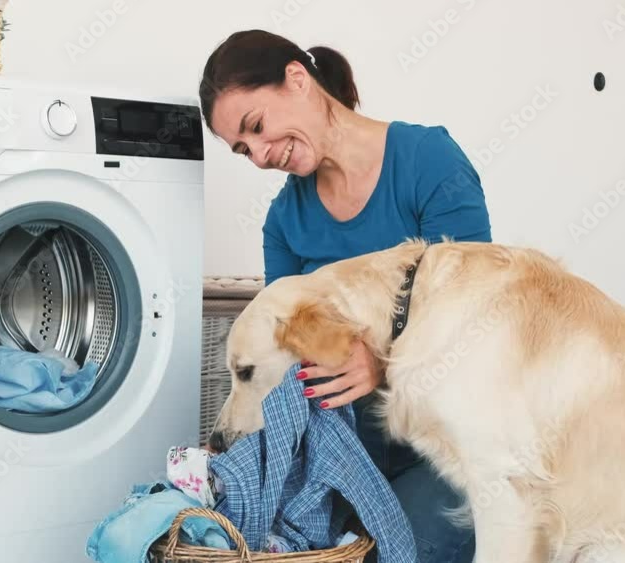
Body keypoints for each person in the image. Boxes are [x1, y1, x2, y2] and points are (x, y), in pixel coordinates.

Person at [198, 29, 492, 563]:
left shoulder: (428, 162)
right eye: (244, 150)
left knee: (396, 550)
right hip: (341, 452)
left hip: (444, 450)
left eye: (257, 127)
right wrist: (234, 446)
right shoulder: (284, 223)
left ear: (296, 79)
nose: (261, 156)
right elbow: (284, 368)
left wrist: (381, 363)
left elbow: (476, 320)